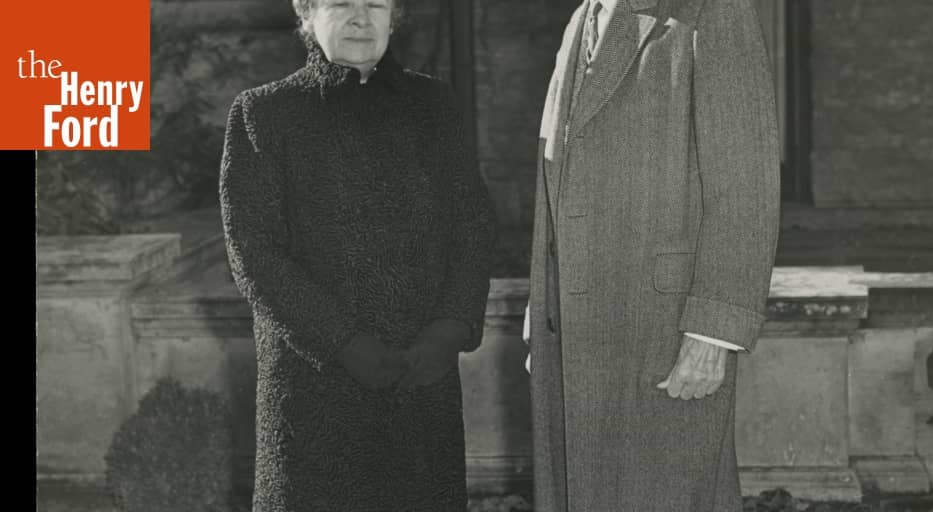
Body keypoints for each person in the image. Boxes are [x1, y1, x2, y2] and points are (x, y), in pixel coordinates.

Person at [218, 0, 495, 509]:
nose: (360, 18)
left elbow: (472, 222)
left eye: (375, 4)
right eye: (341, 3)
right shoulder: (263, 113)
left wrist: (448, 330)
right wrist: (346, 344)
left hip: (421, 382)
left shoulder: (433, 104)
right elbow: (254, 253)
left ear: (394, 17)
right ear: (307, 16)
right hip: (315, 389)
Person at [524, 0, 781, 509]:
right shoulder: (581, 19)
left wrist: (715, 332)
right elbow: (556, 184)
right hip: (576, 333)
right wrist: (544, 310)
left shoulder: (712, 11)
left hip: (661, 330)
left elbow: (746, 183)